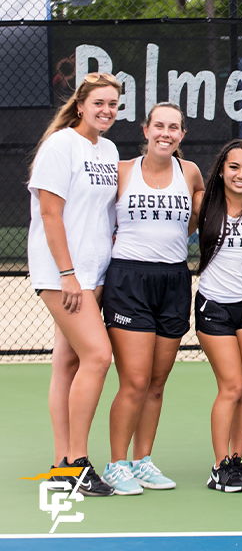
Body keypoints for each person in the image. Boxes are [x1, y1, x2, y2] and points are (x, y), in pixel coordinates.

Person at [98, 102, 204, 495]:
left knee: (157, 382)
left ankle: (142, 460)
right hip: (129, 280)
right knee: (135, 380)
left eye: (173, 128)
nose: (166, 133)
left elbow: (195, 220)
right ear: (145, 130)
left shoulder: (189, 172)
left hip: (174, 279)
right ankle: (116, 463)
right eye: (159, 126)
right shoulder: (123, 170)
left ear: (181, 134)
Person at [28, 71, 121, 496]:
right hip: (64, 275)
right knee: (99, 357)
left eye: (113, 104)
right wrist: (67, 274)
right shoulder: (60, 145)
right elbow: (50, 214)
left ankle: (60, 461)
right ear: (80, 105)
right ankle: (78, 463)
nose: (106, 110)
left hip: (94, 273)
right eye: (99, 103)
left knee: (68, 363)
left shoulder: (108, 149)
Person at [195, 139, 242, 493]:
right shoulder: (203, 205)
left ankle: (237, 461)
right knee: (231, 386)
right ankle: (219, 464)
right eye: (234, 167)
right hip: (215, 306)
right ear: (222, 170)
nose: (241, 175)